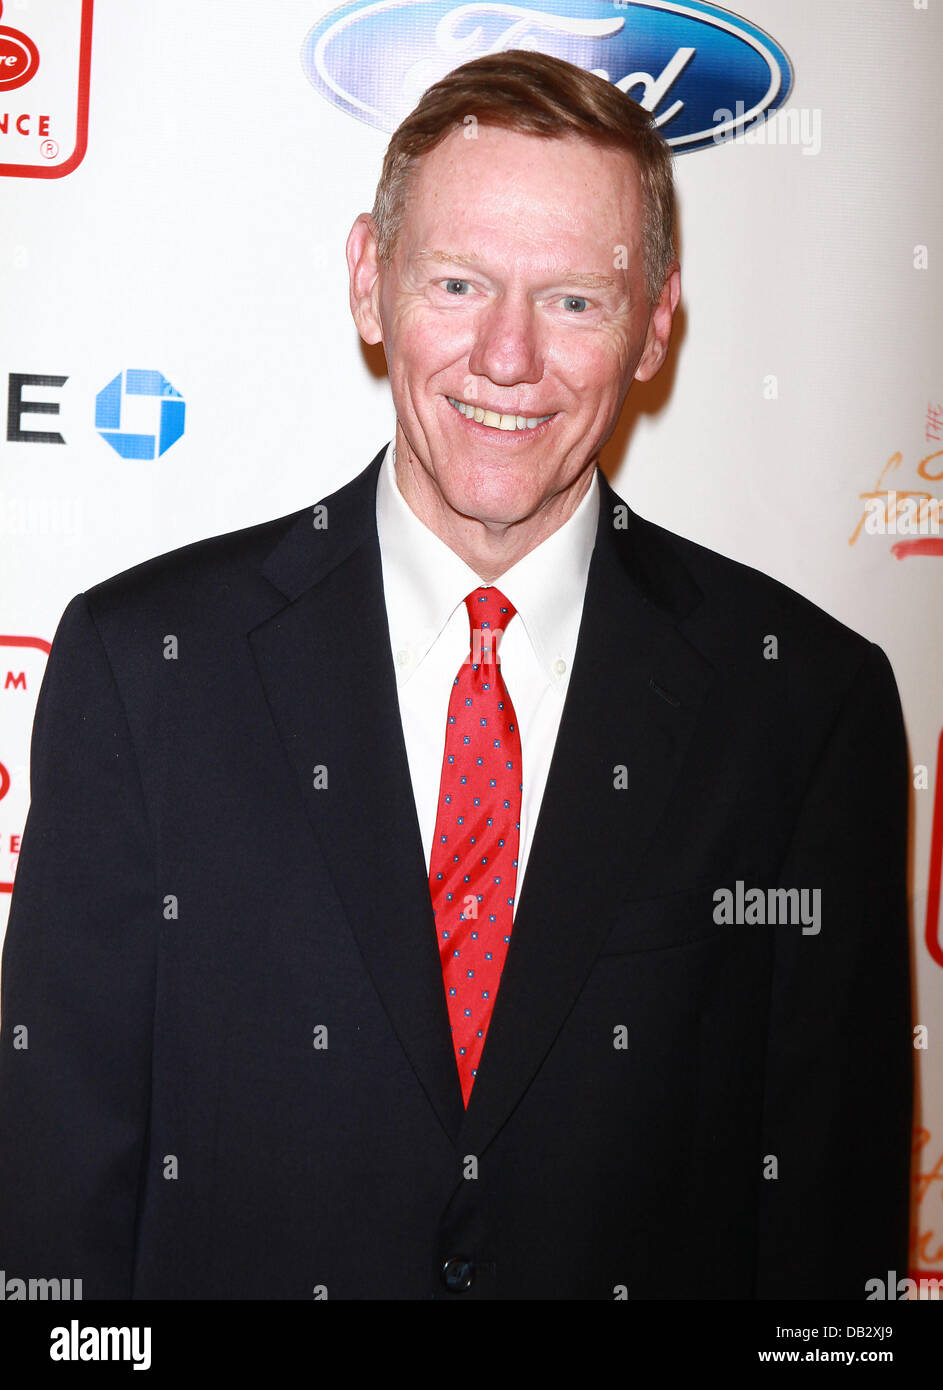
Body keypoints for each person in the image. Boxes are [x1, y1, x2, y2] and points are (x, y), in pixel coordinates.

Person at [0, 50, 912, 1300]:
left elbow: (825, 1237)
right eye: (458, 282)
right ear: (370, 283)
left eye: (575, 302)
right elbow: (55, 1214)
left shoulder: (805, 706)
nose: (506, 356)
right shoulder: (143, 668)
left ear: (655, 322)